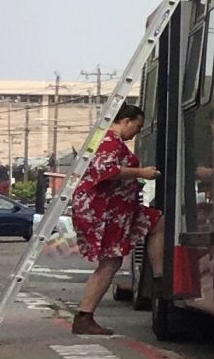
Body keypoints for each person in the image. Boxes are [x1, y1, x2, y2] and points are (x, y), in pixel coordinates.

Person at [66, 104, 160, 336]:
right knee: (110, 262)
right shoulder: (109, 140)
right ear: (126, 121)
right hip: (104, 211)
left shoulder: (108, 140)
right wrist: (141, 173)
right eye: (136, 127)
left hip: (116, 210)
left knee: (157, 223)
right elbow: (106, 170)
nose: (136, 133)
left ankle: (160, 276)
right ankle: (84, 316)